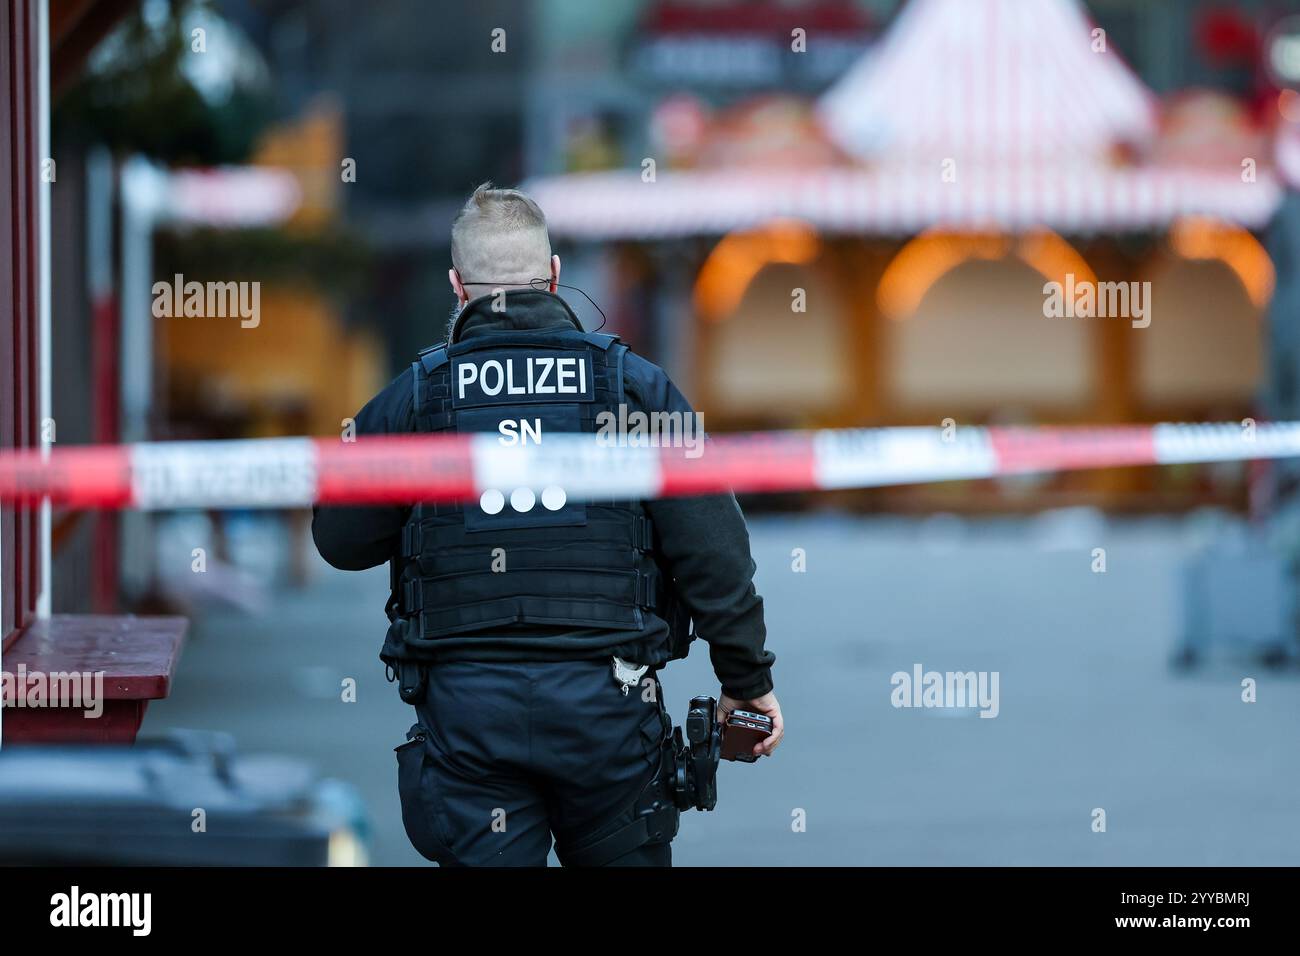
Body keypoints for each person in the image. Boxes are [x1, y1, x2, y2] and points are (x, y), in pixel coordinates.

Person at [312, 182, 780, 866]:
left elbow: (340, 540)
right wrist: (747, 680)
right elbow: (714, 550)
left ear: (456, 286)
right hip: (608, 712)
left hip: (469, 716)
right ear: (555, 275)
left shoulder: (417, 397)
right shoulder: (634, 387)